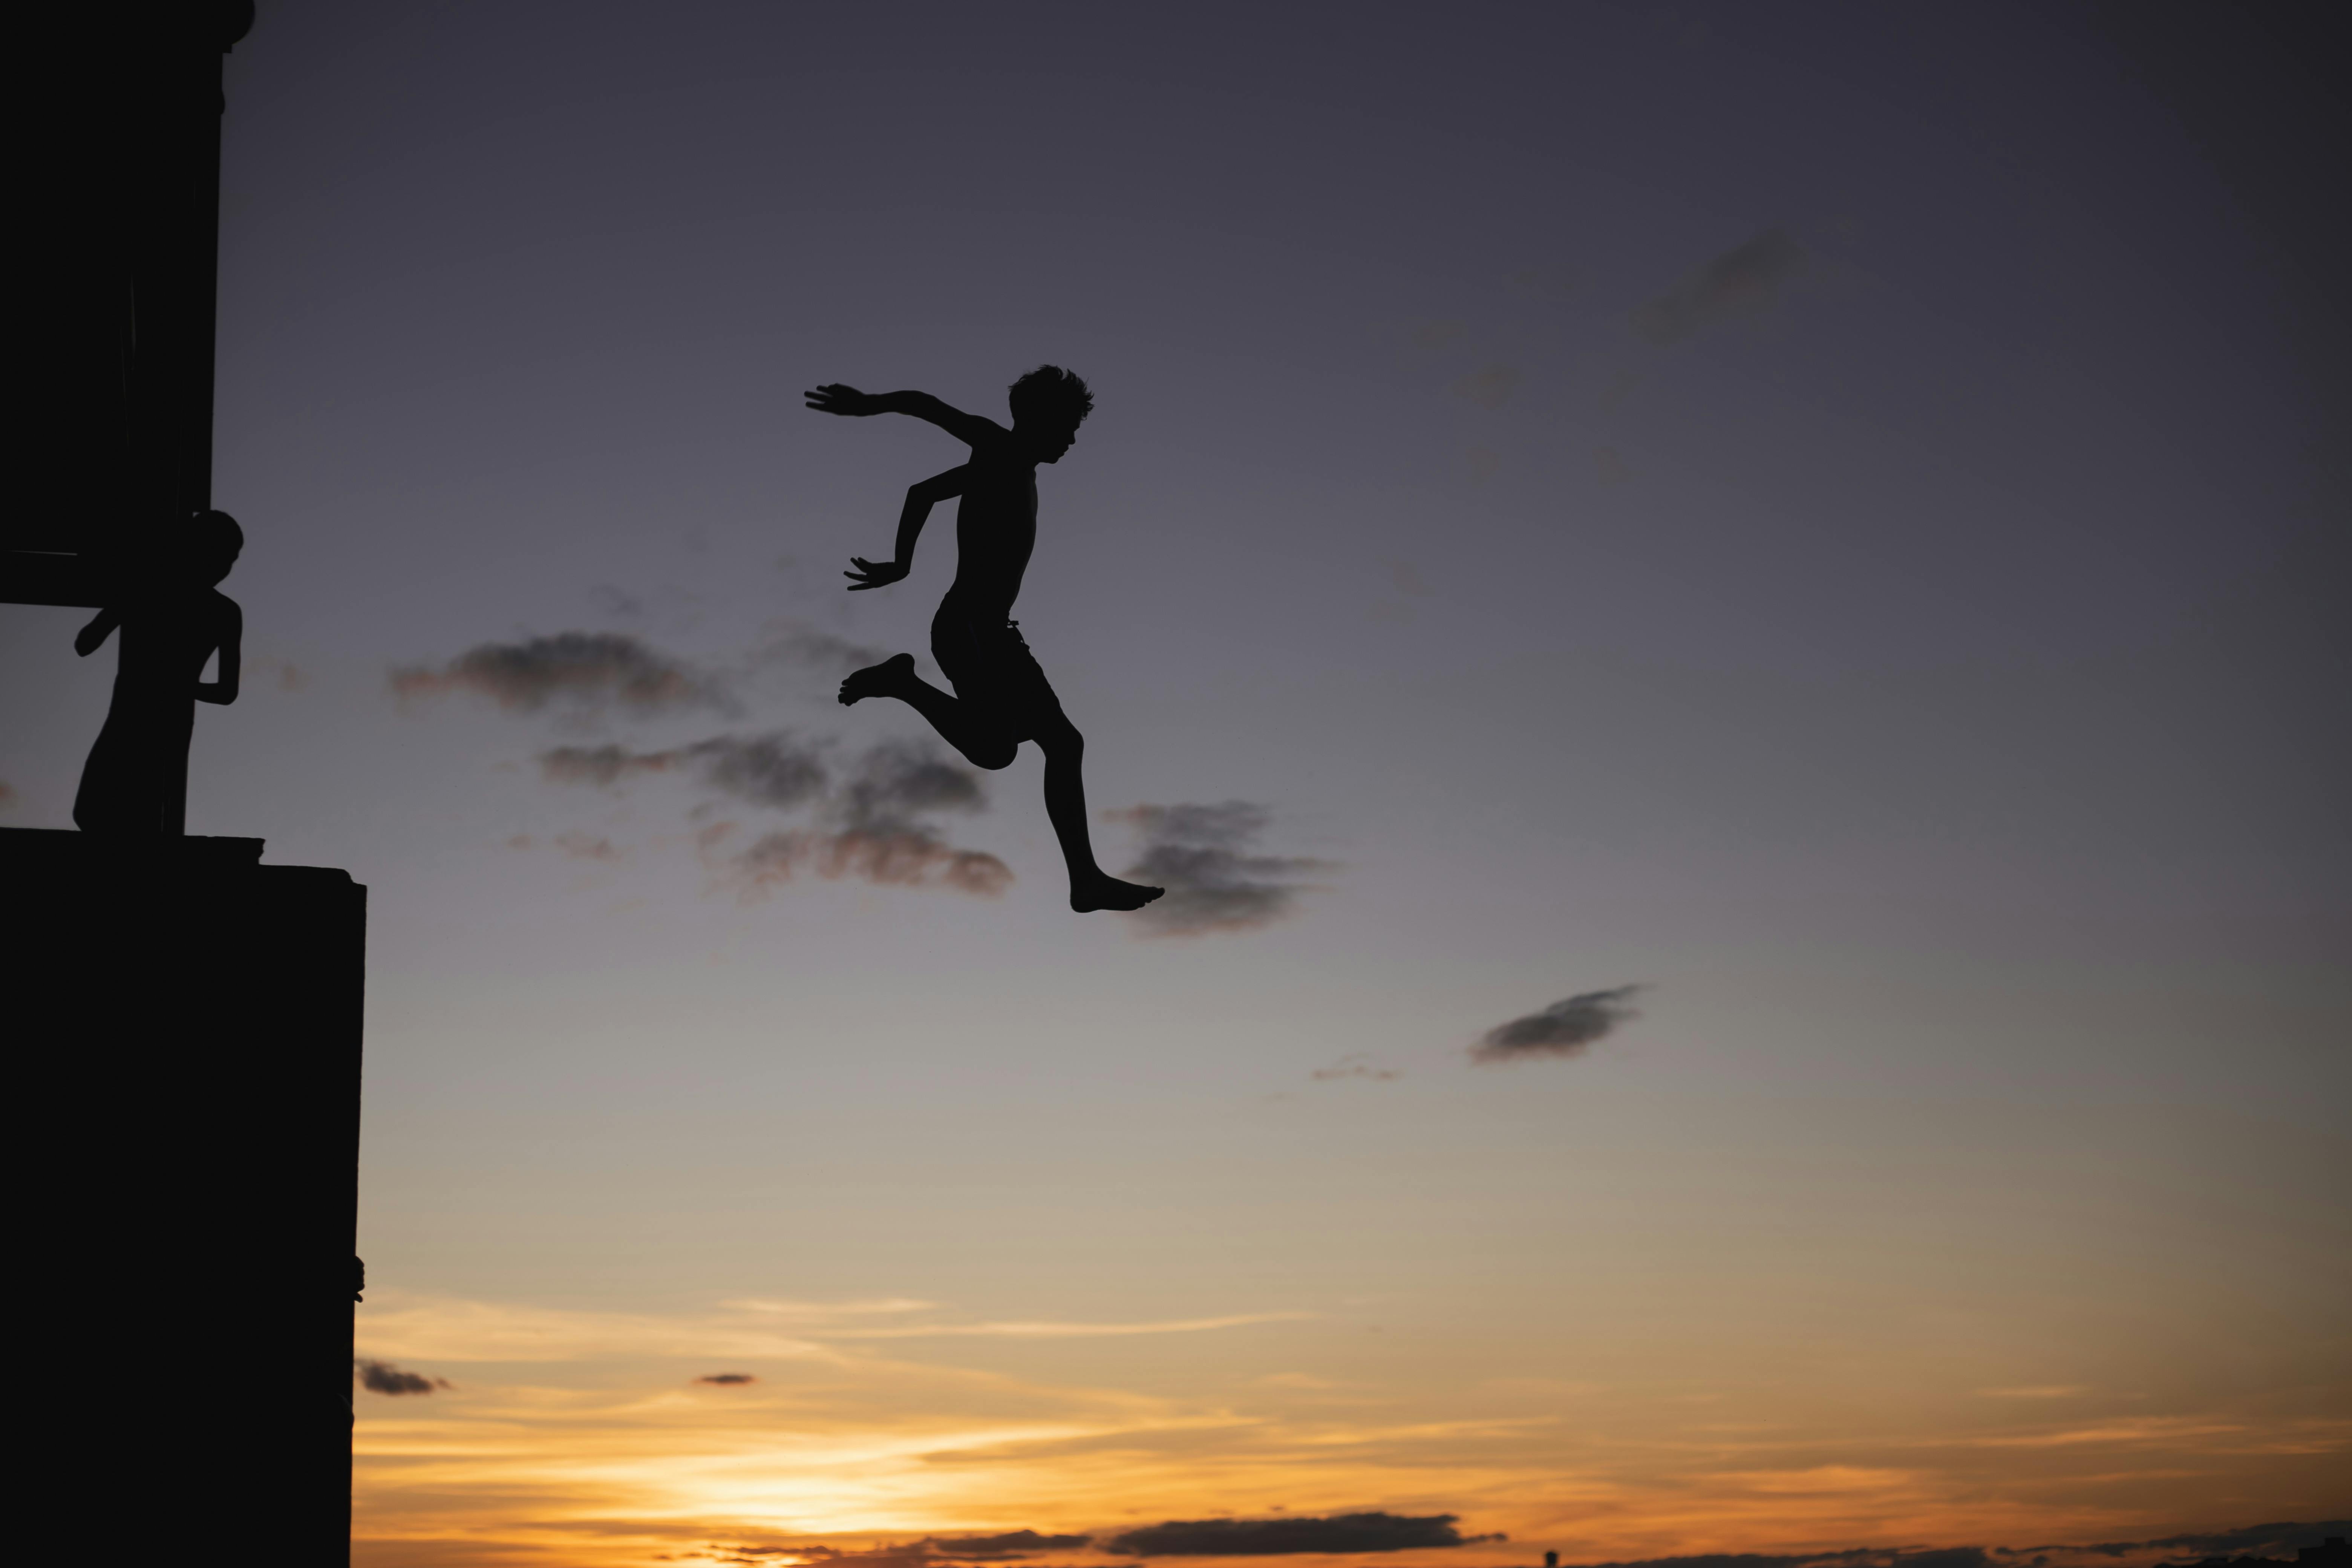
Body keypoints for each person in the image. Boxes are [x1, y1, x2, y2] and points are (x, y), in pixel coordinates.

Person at [807, 367, 1162, 913]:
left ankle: (1085, 880)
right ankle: (904, 685)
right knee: (996, 750)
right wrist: (871, 404)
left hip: (999, 633)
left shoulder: (1014, 470)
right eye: (1065, 428)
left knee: (1065, 744)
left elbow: (924, 492)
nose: (1071, 441)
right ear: (1035, 420)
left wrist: (904, 562)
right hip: (967, 627)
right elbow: (928, 407)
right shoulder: (998, 447)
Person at [72, 509, 244, 836]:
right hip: (150, 722)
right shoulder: (218, 611)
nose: (224, 567)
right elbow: (226, 693)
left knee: (109, 816)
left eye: (230, 559)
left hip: (150, 723)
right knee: (110, 816)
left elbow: (86, 642)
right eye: (222, 556)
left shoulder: (148, 589)